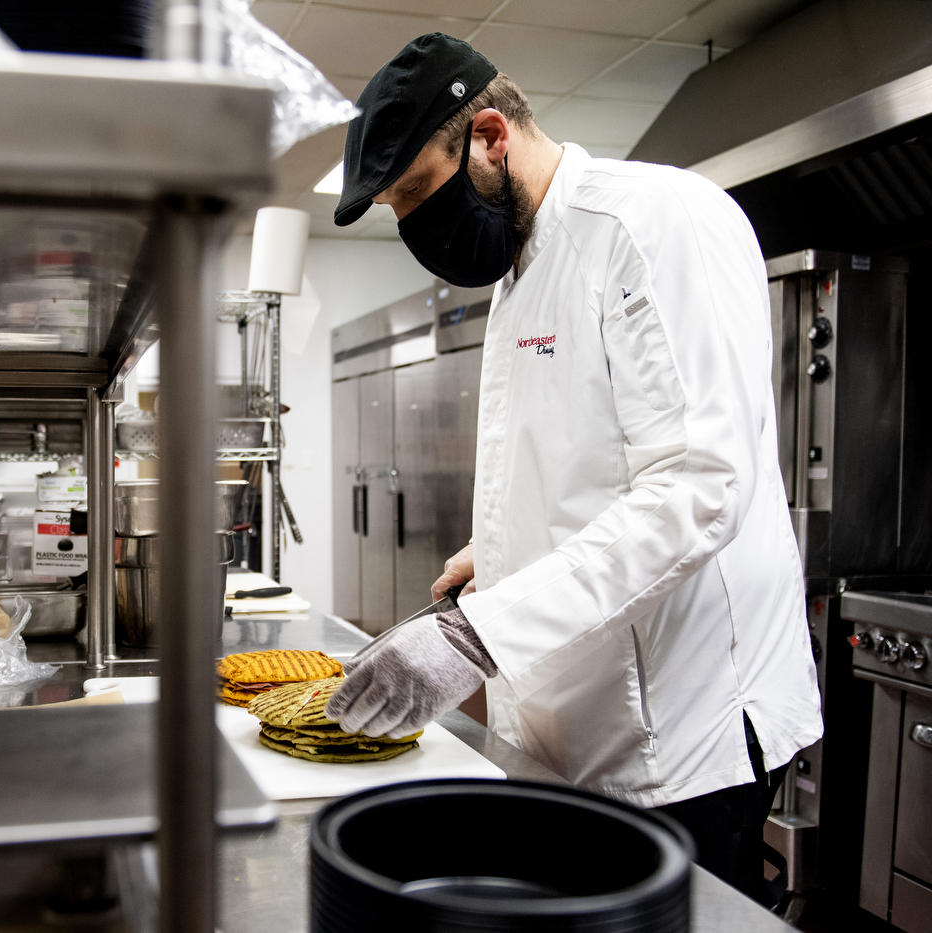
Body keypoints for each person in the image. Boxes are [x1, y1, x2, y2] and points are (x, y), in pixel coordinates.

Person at [322, 34, 823, 905]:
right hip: (566, 726)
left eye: (416, 195)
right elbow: (583, 459)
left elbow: (698, 488)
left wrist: (478, 635)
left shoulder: (651, 223)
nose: (415, 229)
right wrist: (499, 551)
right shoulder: (522, 270)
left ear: (488, 136)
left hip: (679, 738)